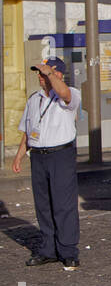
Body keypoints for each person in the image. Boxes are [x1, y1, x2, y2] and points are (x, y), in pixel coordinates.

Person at [12, 58, 82, 270]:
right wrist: (19, 156)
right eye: (39, 73)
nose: (40, 77)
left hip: (60, 155)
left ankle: (68, 251)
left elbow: (65, 95)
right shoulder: (34, 99)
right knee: (43, 205)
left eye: (44, 73)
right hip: (39, 156)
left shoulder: (68, 95)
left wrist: (50, 74)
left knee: (63, 205)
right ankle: (48, 249)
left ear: (57, 74)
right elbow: (28, 130)